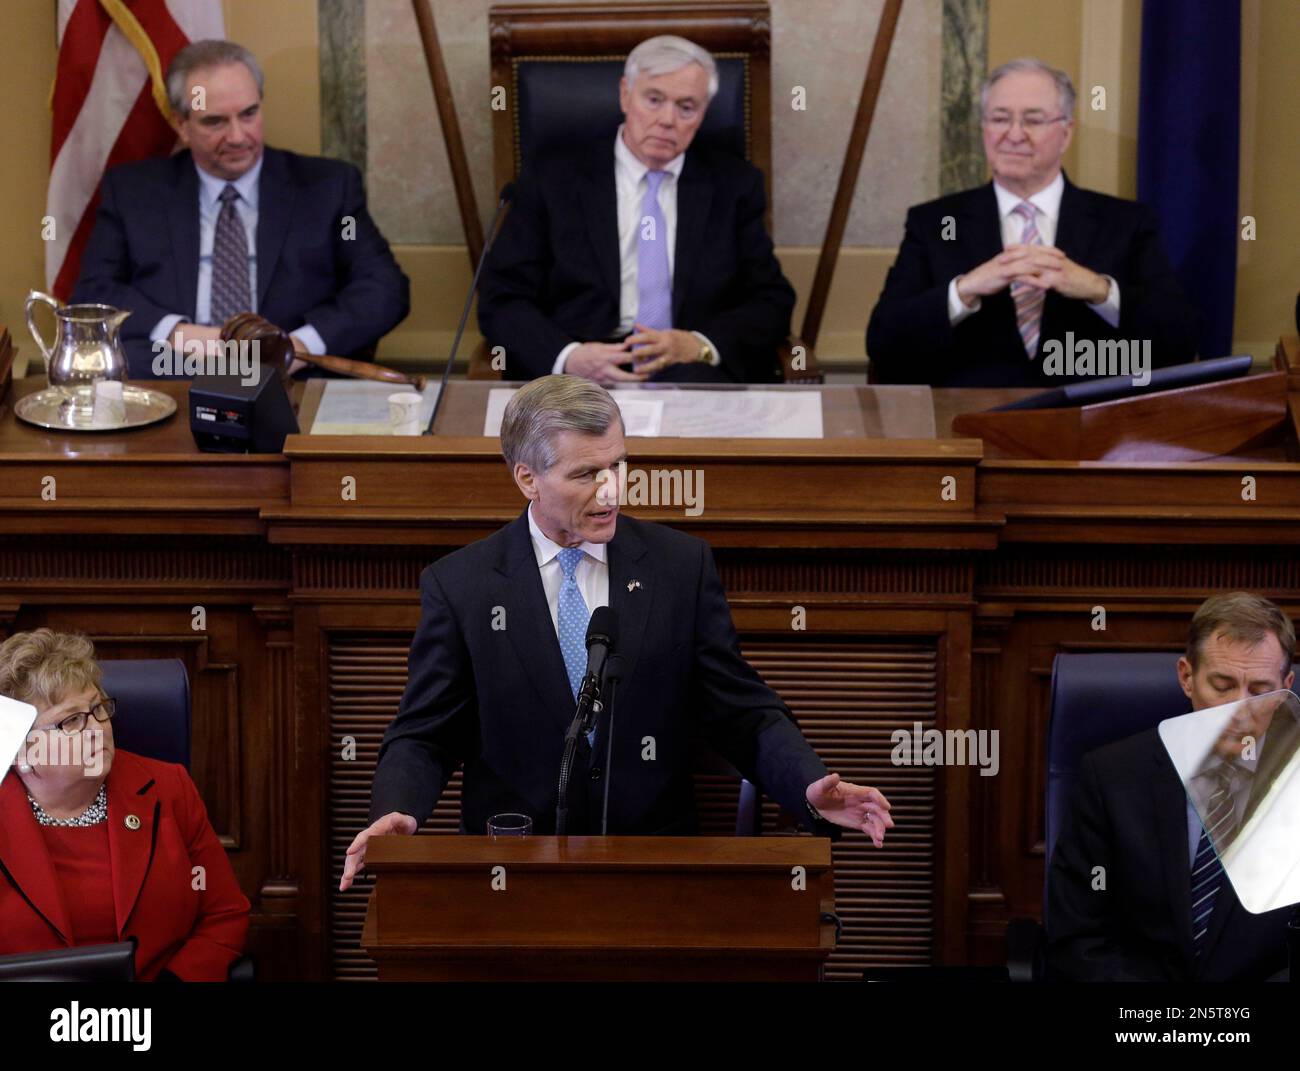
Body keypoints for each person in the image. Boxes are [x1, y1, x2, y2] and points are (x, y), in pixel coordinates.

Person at [340, 376, 893, 888]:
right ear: (527, 477)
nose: (611, 492)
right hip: (512, 874)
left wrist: (808, 785)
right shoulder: (462, 585)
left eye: (618, 466)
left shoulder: (679, 567)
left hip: (656, 870)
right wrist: (399, 808)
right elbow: (426, 733)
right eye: (585, 474)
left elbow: (740, 711)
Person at [72, 39, 409, 378]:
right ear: (181, 125)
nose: (237, 137)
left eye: (249, 114)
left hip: (291, 383)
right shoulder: (135, 192)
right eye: (215, 122)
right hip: (173, 376)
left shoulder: (329, 189)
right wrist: (176, 333)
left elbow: (383, 288)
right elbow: (94, 289)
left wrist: (300, 346)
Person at [477, 35, 795, 385]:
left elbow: (771, 301)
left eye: (686, 107)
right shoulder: (553, 178)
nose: (667, 120)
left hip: (691, 375)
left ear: (703, 113)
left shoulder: (734, 185)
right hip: (577, 377)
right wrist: (568, 356)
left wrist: (699, 345)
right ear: (625, 94)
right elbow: (502, 298)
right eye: (654, 100)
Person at [866, 58, 1200, 387]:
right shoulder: (935, 223)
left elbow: (1180, 340)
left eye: (1033, 120)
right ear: (984, 129)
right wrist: (963, 290)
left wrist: (1099, 290)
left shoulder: (1126, 223)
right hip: (966, 426)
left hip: (1090, 427)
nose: (1014, 134)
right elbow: (883, 343)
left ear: (1066, 133)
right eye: (999, 118)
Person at [1047, 593, 1295, 981]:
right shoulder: (1110, 777)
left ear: (1285, 690)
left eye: (1260, 691)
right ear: (1186, 677)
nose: (1238, 709)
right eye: (1223, 685)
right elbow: (1078, 938)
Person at [0, 630, 249, 981]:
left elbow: (224, 914)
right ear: (21, 750)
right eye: (71, 720)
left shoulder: (169, 788)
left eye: (98, 708)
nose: (98, 728)